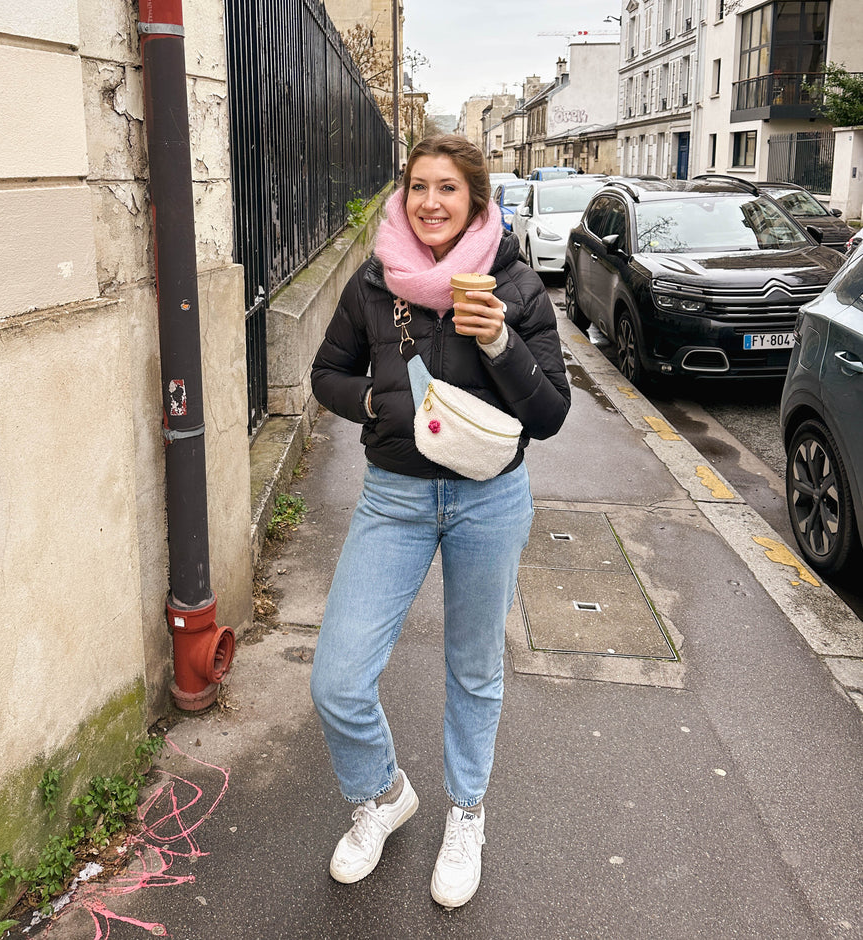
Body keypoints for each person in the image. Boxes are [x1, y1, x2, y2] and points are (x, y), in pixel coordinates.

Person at [309, 134, 571, 909]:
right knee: (338, 678)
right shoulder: (374, 280)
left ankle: (467, 812)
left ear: (476, 199)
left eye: (448, 188)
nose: (430, 201)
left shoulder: (514, 285)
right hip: (394, 497)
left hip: (490, 500)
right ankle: (383, 794)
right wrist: (371, 400)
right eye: (418, 186)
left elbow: (550, 414)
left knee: (474, 669)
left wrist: (498, 340)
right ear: (404, 194)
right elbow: (326, 373)